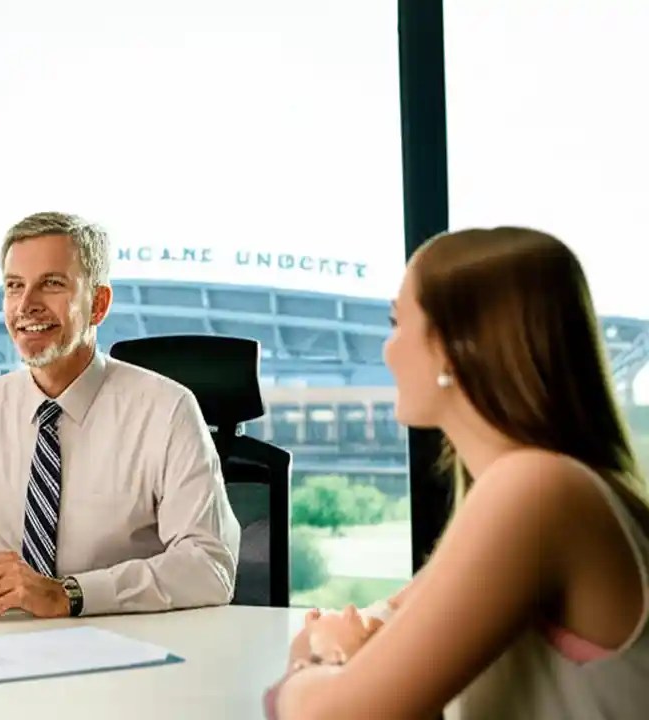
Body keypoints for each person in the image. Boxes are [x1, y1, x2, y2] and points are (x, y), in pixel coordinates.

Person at [266, 227, 649, 719]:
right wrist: (346, 654)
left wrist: (312, 665)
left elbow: (341, 714)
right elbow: (391, 619)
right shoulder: (537, 485)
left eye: (396, 322)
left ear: (451, 345)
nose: (386, 350)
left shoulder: (535, 488)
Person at [0, 211, 241, 618]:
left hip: (128, 650)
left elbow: (208, 566)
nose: (26, 305)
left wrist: (68, 595)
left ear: (98, 304)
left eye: (51, 284)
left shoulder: (166, 410)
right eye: (14, 286)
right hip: (1, 647)